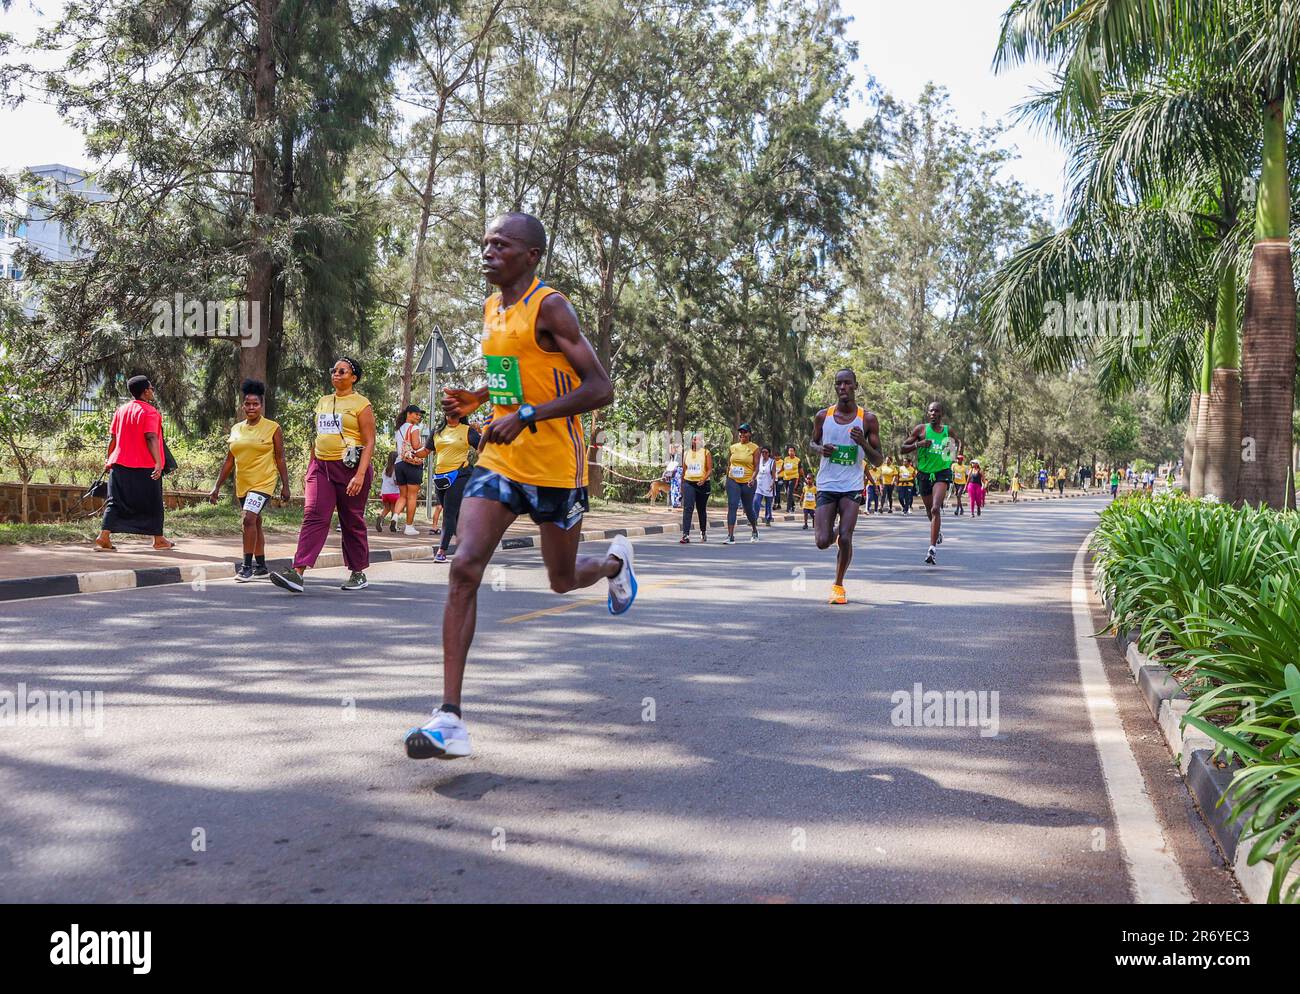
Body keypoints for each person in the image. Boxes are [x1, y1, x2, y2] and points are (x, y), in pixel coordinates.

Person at [403, 212, 632, 762]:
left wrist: (528, 414)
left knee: (560, 580)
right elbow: (516, 374)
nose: (487, 252)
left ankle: (615, 565)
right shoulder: (491, 308)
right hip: (501, 458)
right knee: (464, 566)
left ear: (531, 255)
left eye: (500, 245)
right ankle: (449, 717)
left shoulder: (550, 306)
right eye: (485, 244)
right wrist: (483, 398)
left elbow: (600, 388)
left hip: (556, 466)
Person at [269, 357, 376, 593]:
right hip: (321, 467)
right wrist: (310, 467)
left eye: (342, 371)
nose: (336, 374)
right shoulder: (323, 401)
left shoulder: (361, 404)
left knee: (352, 520)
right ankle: (297, 572)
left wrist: (359, 475)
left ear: (353, 377)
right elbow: (318, 437)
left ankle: (358, 572)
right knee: (314, 515)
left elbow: (369, 442)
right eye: (334, 370)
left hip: (350, 469)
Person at [812, 369, 883, 604]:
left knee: (845, 536)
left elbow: (878, 460)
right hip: (827, 484)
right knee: (823, 541)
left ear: (855, 386)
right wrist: (820, 449)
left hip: (852, 486)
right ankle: (832, 534)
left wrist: (862, 441)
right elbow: (811, 443)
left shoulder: (868, 419)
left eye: (847, 383)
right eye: (839, 384)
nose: (843, 387)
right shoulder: (823, 416)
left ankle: (838, 585)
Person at [208, 378, 290, 581]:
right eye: (248, 404)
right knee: (256, 522)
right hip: (243, 482)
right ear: (243, 405)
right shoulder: (237, 429)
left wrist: (286, 485)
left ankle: (246, 567)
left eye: (255, 404)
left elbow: (280, 457)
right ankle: (261, 566)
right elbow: (229, 460)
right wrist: (216, 486)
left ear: (261, 405)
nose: (251, 407)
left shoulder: (272, 428)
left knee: (248, 519)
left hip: (264, 481)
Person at [95, 374, 175, 552]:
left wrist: (109, 460)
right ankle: (159, 540)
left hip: (119, 463)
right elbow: (151, 437)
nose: (153, 391)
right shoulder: (150, 411)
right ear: (146, 391)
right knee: (153, 502)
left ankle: (104, 537)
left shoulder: (121, 411)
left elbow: (113, 438)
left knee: (115, 502)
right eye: (151, 388)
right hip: (144, 465)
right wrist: (159, 463)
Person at [901, 400, 961, 566]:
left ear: (941, 414)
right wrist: (918, 444)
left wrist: (952, 457)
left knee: (935, 508)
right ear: (928, 414)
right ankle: (937, 531)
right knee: (929, 510)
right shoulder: (921, 429)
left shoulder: (948, 431)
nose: (933, 414)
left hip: (941, 473)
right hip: (924, 474)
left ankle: (932, 549)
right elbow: (902, 448)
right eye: (931, 411)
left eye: (936, 411)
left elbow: (958, 442)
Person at [429, 409, 482, 563]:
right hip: (440, 477)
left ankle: (441, 551)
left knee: (449, 513)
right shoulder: (438, 432)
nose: (451, 416)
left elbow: (482, 448)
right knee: (455, 515)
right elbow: (425, 450)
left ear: (461, 415)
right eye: (448, 413)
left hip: (460, 475)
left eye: (454, 413)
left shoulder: (467, 431)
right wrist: (412, 454)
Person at [392, 405, 428, 536]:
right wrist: (425, 445)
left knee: (403, 495)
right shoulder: (414, 428)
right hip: (412, 463)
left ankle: (395, 517)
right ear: (409, 414)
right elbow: (416, 446)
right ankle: (409, 527)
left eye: (420, 415)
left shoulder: (399, 429)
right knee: (412, 496)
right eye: (416, 414)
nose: (419, 417)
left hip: (399, 463)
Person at [725, 423, 760, 544]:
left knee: (748, 507)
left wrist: (753, 478)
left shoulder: (754, 448)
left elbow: (756, 467)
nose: (742, 434)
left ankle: (754, 530)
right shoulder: (733, 447)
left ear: (749, 434)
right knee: (732, 505)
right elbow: (729, 465)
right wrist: (727, 479)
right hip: (733, 480)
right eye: (740, 432)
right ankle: (730, 536)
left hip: (747, 482)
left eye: (745, 432)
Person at [679, 433, 712, 543]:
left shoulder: (706, 452)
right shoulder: (687, 453)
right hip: (689, 483)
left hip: (703, 484)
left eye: (698, 440)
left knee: (701, 509)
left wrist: (703, 479)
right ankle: (685, 534)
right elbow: (684, 470)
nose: (695, 441)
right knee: (688, 508)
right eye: (694, 439)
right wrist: (682, 485)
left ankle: (703, 531)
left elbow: (709, 469)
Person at [377, 452, 401, 532]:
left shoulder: (385, 469)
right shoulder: (396, 469)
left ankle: (380, 517)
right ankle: (393, 525)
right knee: (394, 509)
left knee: (387, 508)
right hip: (394, 493)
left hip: (385, 493)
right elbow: (396, 482)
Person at [753, 445, 777, 525]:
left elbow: (774, 475)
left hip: (768, 485)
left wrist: (772, 484)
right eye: (762, 452)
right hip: (759, 485)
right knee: (756, 501)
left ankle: (768, 519)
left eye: (766, 452)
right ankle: (754, 519)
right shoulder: (758, 460)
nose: (764, 454)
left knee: (768, 504)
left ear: (769, 453)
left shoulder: (772, 462)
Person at [779, 446, 801, 512]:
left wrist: (798, 480)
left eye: (792, 451)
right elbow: (783, 467)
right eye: (789, 451)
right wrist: (778, 472)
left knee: (789, 492)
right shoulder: (786, 459)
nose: (791, 452)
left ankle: (788, 509)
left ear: (794, 452)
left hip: (794, 478)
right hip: (786, 478)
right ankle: (793, 505)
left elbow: (800, 470)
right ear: (788, 452)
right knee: (788, 493)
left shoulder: (798, 460)